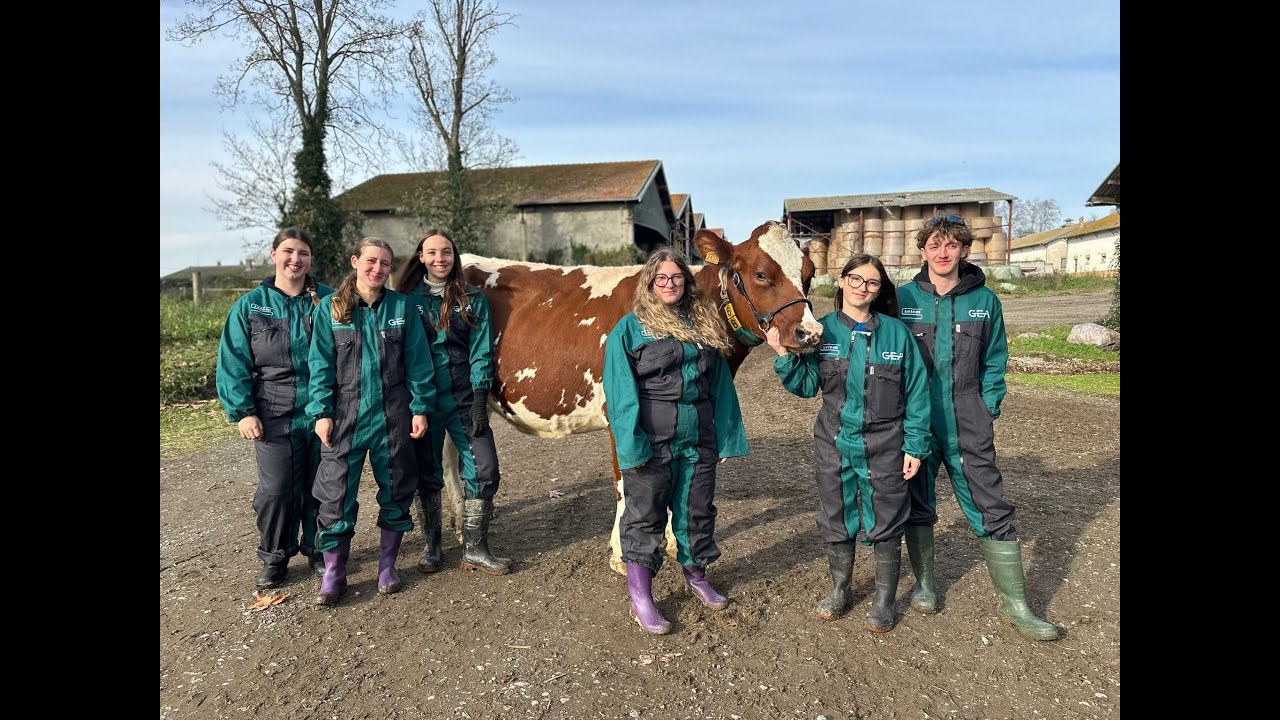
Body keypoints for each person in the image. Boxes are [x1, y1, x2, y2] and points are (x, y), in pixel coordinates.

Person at [896, 214, 1062, 641]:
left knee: (990, 502)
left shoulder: (985, 301)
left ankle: (1017, 604)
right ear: (923, 251)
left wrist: (987, 405)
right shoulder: (903, 299)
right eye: (934, 245)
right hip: (916, 421)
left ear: (965, 250)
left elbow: (995, 359)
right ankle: (926, 584)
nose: (943, 253)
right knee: (916, 499)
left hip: (968, 418)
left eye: (951, 245)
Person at [767, 254, 930, 632]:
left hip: (887, 442)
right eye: (856, 279)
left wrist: (914, 445)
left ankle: (884, 600)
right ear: (841, 282)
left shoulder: (896, 333)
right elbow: (807, 387)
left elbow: (918, 393)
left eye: (872, 283)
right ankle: (841, 590)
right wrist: (781, 354)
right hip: (834, 440)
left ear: (878, 290)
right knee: (836, 515)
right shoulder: (822, 330)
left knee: (887, 517)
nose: (863, 287)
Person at [603, 247, 748, 635]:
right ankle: (641, 596)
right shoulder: (630, 329)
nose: (670, 284)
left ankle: (696, 575)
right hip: (651, 440)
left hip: (697, 438)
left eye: (677, 278)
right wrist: (631, 446)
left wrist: (724, 438)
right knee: (644, 516)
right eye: (662, 279)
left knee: (696, 510)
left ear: (687, 283)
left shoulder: (704, 325)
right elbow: (620, 392)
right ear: (650, 284)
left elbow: (721, 387)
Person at [307, 238, 436, 606]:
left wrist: (420, 407)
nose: (377, 269)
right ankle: (334, 572)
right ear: (355, 261)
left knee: (396, 489)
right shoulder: (332, 309)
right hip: (344, 416)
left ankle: (387, 566)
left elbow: (418, 362)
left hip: (393, 414)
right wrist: (321, 413)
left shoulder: (403, 307)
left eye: (385, 263)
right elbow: (319, 366)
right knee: (334, 494)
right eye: (370, 261)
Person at [216, 227, 335, 590]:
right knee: (277, 490)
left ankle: (318, 551)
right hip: (272, 411)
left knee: (323, 487)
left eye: (303, 253)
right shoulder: (251, 305)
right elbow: (232, 360)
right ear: (273, 255)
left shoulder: (328, 300)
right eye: (288, 251)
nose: (295, 259)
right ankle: (275, 556)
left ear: (311, 259)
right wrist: (242, 410)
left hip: (323, 409)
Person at [392, 230, 511, 575]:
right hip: (421, 401)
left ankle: (475, 547)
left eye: (446, 252)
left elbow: (481, 351)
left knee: (485, 468)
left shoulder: (472, 299)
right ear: (421, 258)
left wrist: (478, 398)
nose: (440, 258)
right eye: (432, 253)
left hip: (462, 398)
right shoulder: (406, 302)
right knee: (426, 471)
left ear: (454, 257)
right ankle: (432, 546)